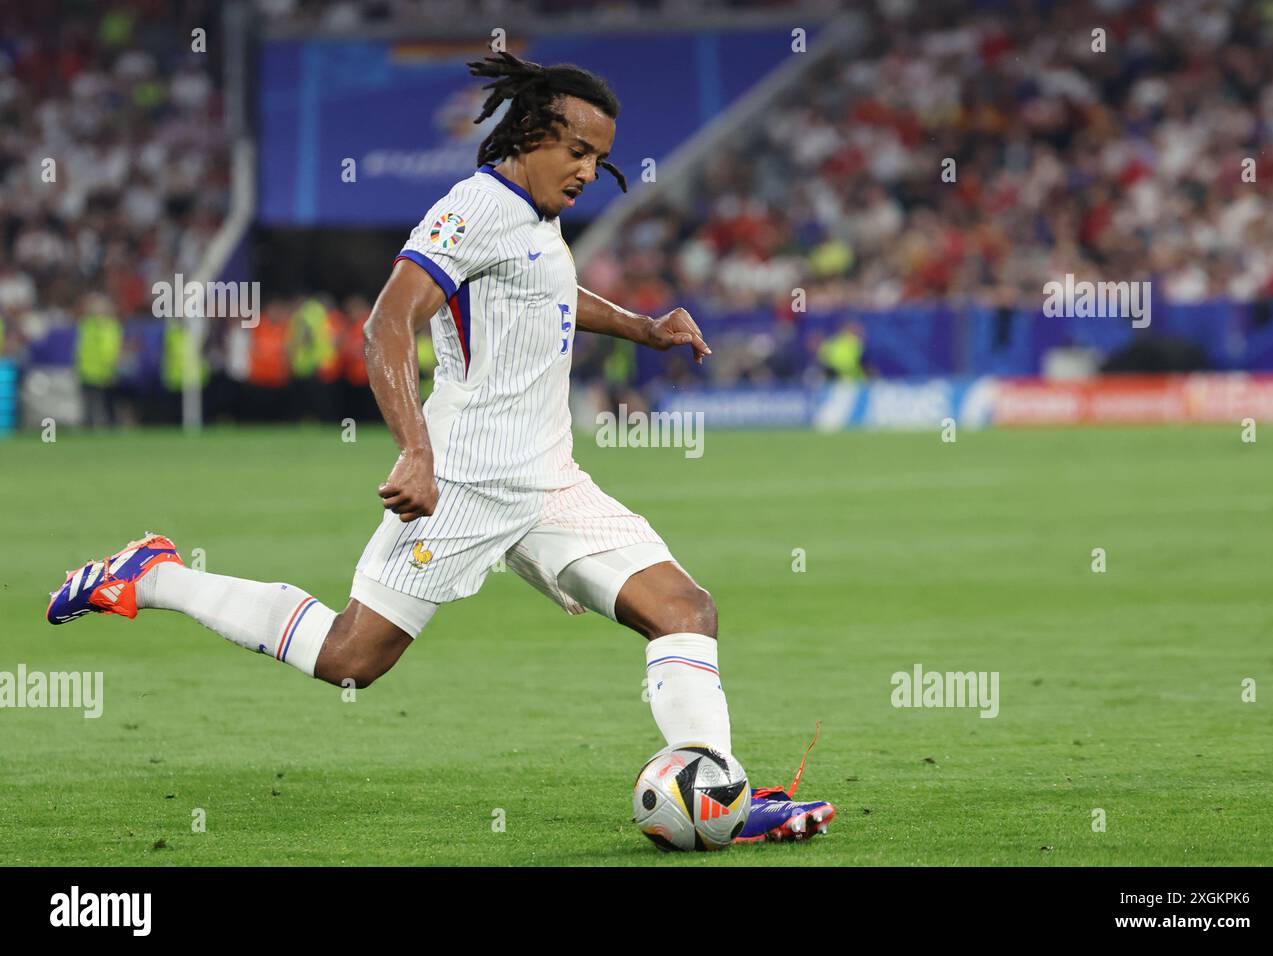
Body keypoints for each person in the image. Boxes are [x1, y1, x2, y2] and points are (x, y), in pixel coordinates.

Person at [45, 52, 832, 843]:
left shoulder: (537, 223)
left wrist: (642, 327)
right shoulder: (474, 210)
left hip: (549, 481)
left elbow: (548, 291)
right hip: (464, 477)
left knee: (686, 610)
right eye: (579, 151)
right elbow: (388, 321)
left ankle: (717, 795)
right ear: (530, 134)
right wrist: (415, 453)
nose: (591, 171)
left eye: (600, 157)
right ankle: (155, 576)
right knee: (350, 655)